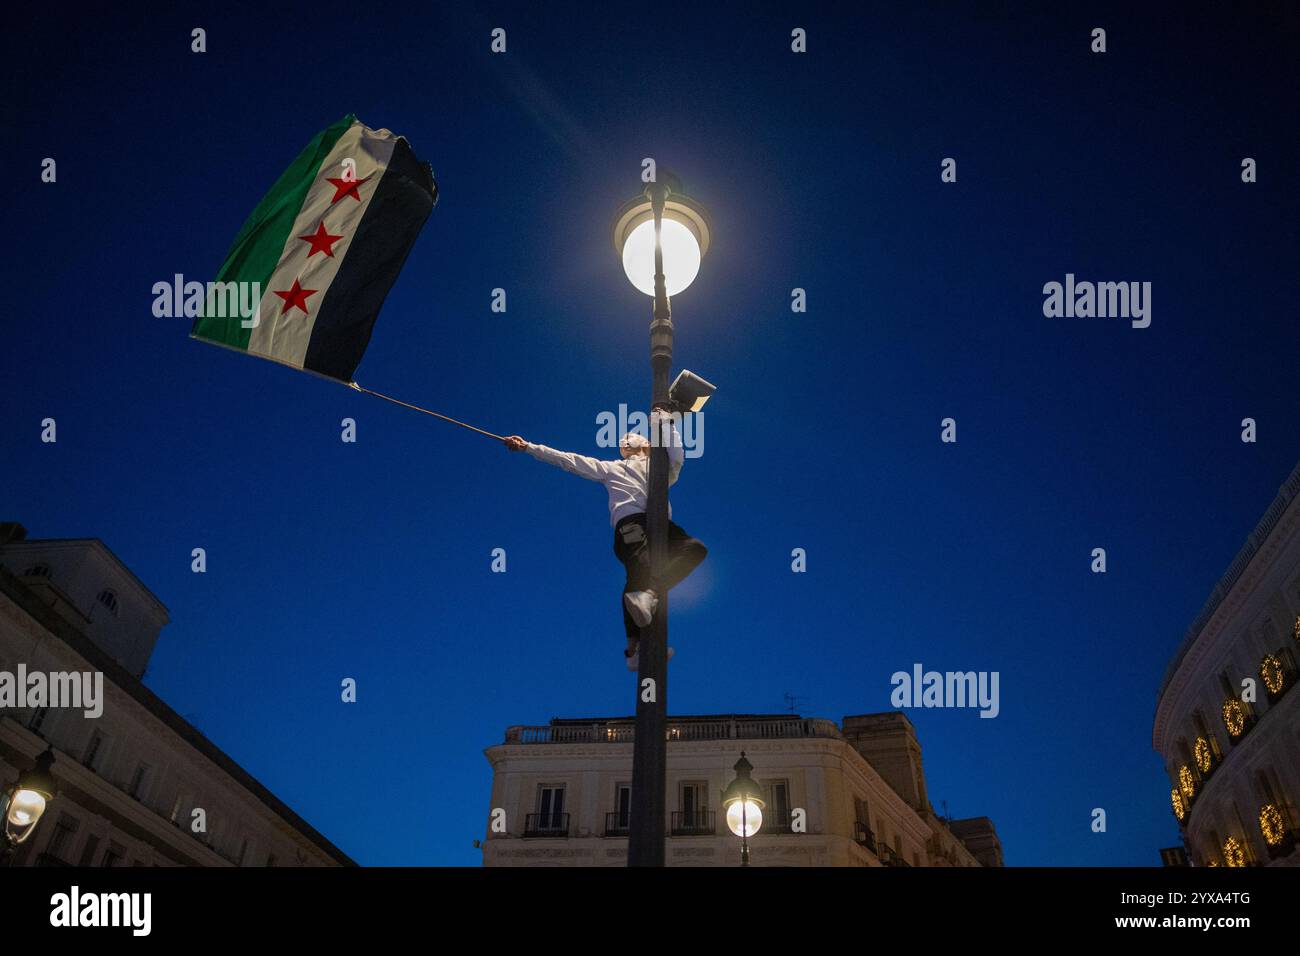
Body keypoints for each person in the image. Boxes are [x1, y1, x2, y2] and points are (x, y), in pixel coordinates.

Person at [503, 404, 707, 670]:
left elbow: (677, 453)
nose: (624, 442)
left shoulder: (662, 465)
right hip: (630, 523)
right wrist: (528, 447)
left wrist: (664, 420)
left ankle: (644, 618)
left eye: (629, 438)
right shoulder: (612, 468)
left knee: (694, 550)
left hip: (661, 524)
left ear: (646, 443)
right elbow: (569, 460)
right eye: (622, 442)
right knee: (640, 571)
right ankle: (637, 645)